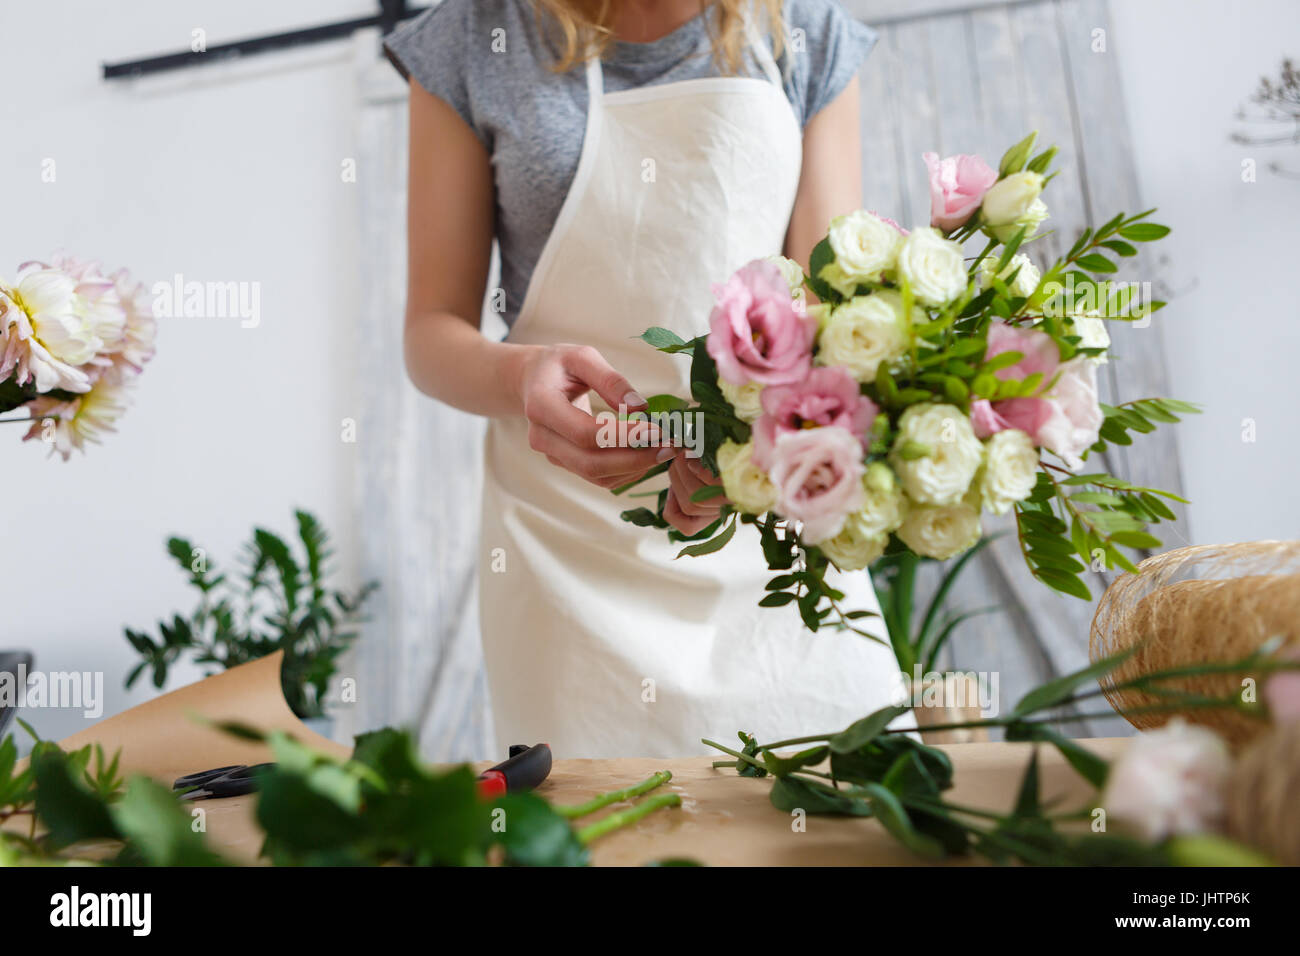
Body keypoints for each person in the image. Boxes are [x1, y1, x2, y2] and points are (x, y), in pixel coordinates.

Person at [385, 0, 905, 758]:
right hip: (565, 549)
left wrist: (740, 457)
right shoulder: (470, 38)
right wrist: (521, 374)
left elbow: (826, 320)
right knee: (601, 814)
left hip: (768, 534)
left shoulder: (802, 29)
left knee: (841, 797)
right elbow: (431, 329)